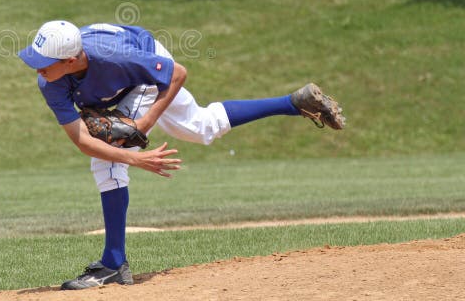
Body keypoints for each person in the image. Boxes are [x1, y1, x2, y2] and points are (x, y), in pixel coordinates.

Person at [18, 20, 345, 290]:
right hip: (125, 73)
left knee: (109, 159)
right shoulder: (50, 82)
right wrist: (136, 157)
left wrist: (141, 127)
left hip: (146, 65)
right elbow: (81, 139)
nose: (36, 68)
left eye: (43, 62)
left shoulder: (114, 58)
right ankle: (294, 103)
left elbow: (177, 73)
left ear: (70, 61)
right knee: (202, 127)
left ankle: (113, 263)